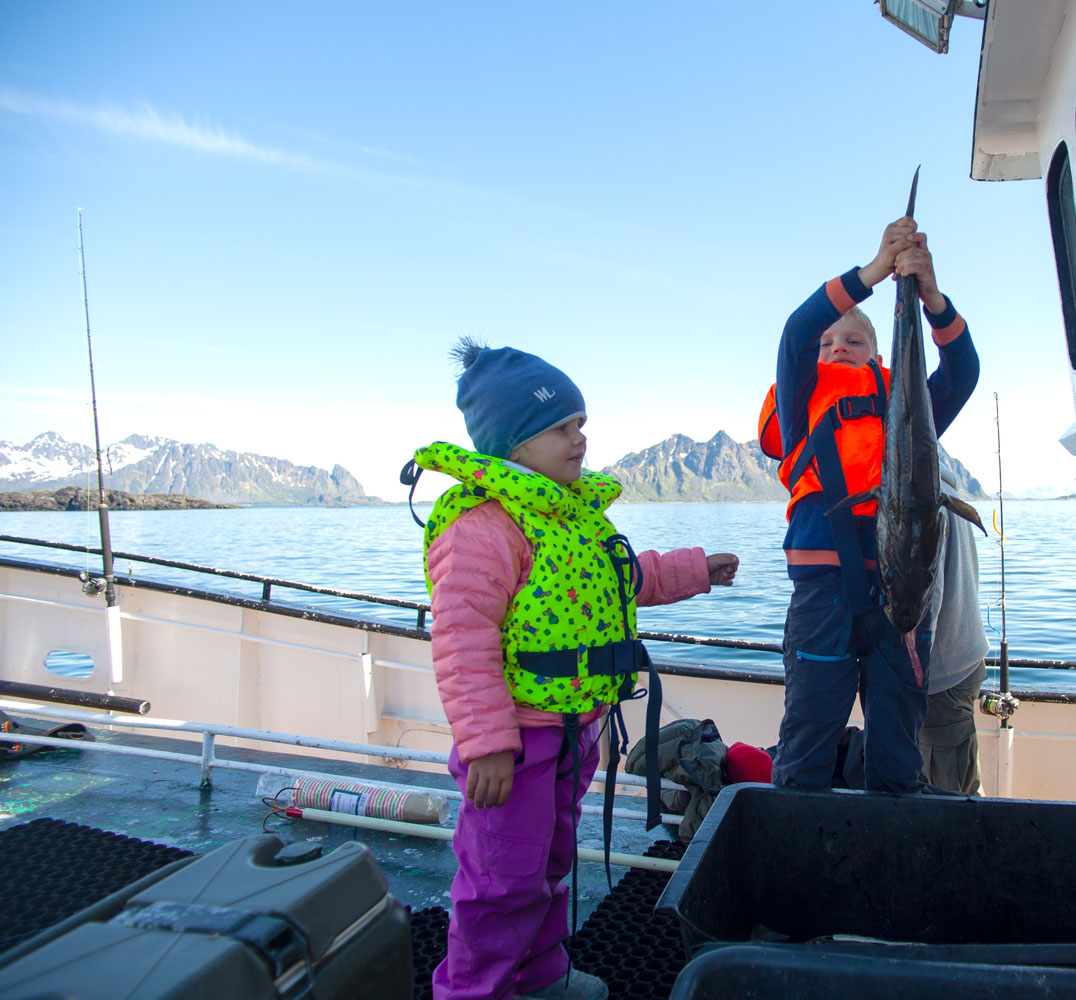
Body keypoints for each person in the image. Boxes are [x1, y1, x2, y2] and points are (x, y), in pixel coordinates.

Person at [413, 343, 738, 1000]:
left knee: (551, 866)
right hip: (517, 743)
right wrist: (488, 744)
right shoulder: (484, 526)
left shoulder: (578, 518)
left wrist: (695, 570)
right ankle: (475, 993)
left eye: (581, 424)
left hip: (575, 735)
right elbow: (461, 639)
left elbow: (627, 577)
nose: (580, 438)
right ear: (513, 442)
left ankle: (539, 976)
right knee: (499, 883)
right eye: (562, 427)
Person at [758, 216, 979, 793]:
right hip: (824, 595)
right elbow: (795, 331)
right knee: (809, 729)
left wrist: (930, 296)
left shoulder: (903, 403)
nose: (837, 348)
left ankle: (895, 829)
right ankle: (798, 833)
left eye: (854, 341)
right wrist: (875, 273)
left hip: (901, 596)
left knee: (898, 742)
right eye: (828, 343)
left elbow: (963, 371)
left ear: (878, 356)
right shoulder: (800, 397)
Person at [918, 456, 990, 795]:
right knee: (959, 780)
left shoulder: (926, 497)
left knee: (950, 796)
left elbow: (929, 596)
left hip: (943, 675)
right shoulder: (946, 490)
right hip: (965, 660)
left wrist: (913, 664)